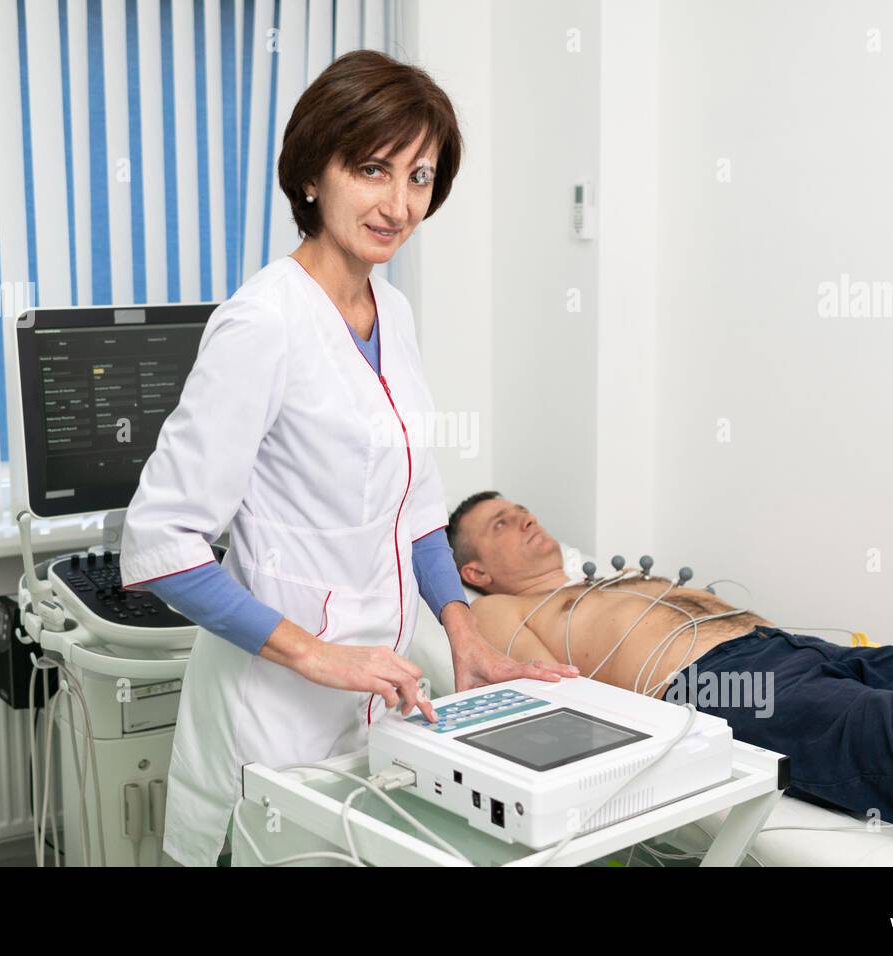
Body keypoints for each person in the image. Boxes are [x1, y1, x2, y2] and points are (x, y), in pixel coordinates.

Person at [119, 54, 575, 867]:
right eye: (372, 168)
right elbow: (161, 545)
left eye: (420, 177)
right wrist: (319, 655)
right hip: (271, 724)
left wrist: (462, 633)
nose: (398, 204)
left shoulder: (390, 312)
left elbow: (419, 509)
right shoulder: (262, 324)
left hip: (378, 707)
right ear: (311, 175)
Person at [447, 490, 893, 866]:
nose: (524, 519)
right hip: (720, 682)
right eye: (501, 523)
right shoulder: (496, 609)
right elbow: (537, 684)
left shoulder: (592, 582)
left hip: (795, 647)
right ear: (474, 572)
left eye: (522, 509)